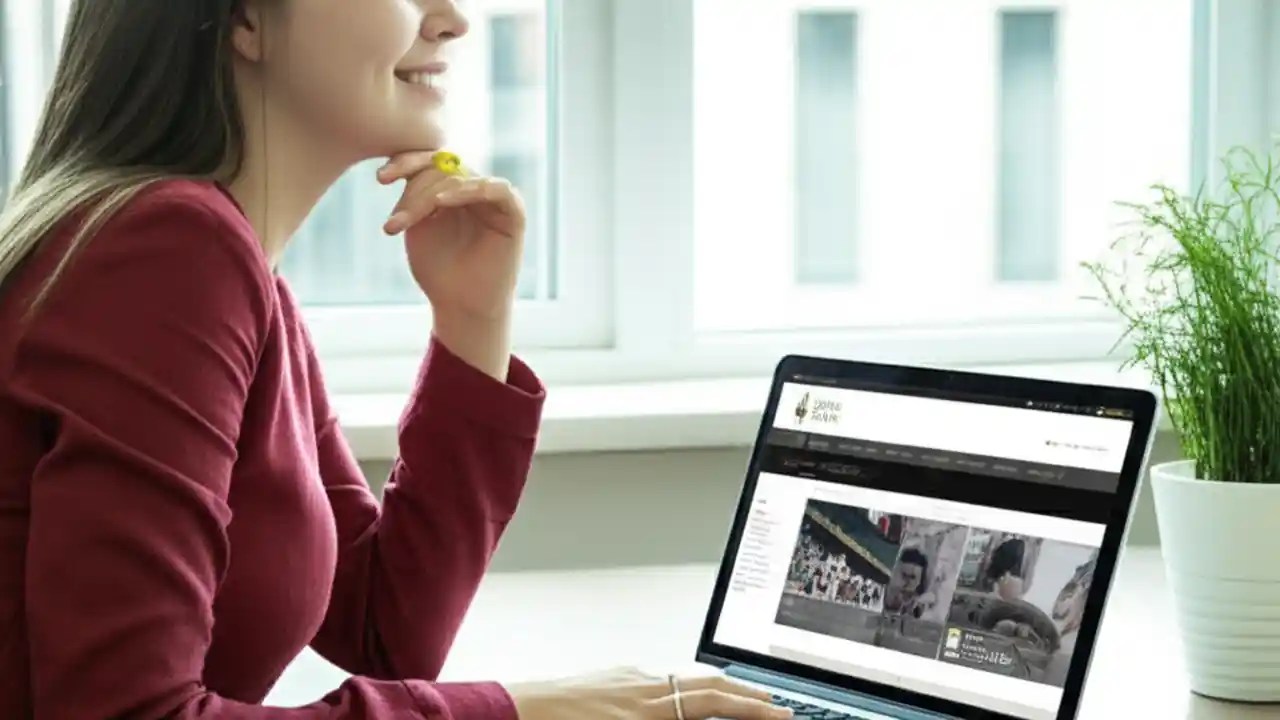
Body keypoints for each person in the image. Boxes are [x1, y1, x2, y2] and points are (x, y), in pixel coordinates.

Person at [0, 3, 791, 720]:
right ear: (245, 18)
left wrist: (472, 318)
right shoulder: (169, 253)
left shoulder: (230, 267)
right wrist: (527, 712)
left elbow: (385, 627)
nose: (452, 19)